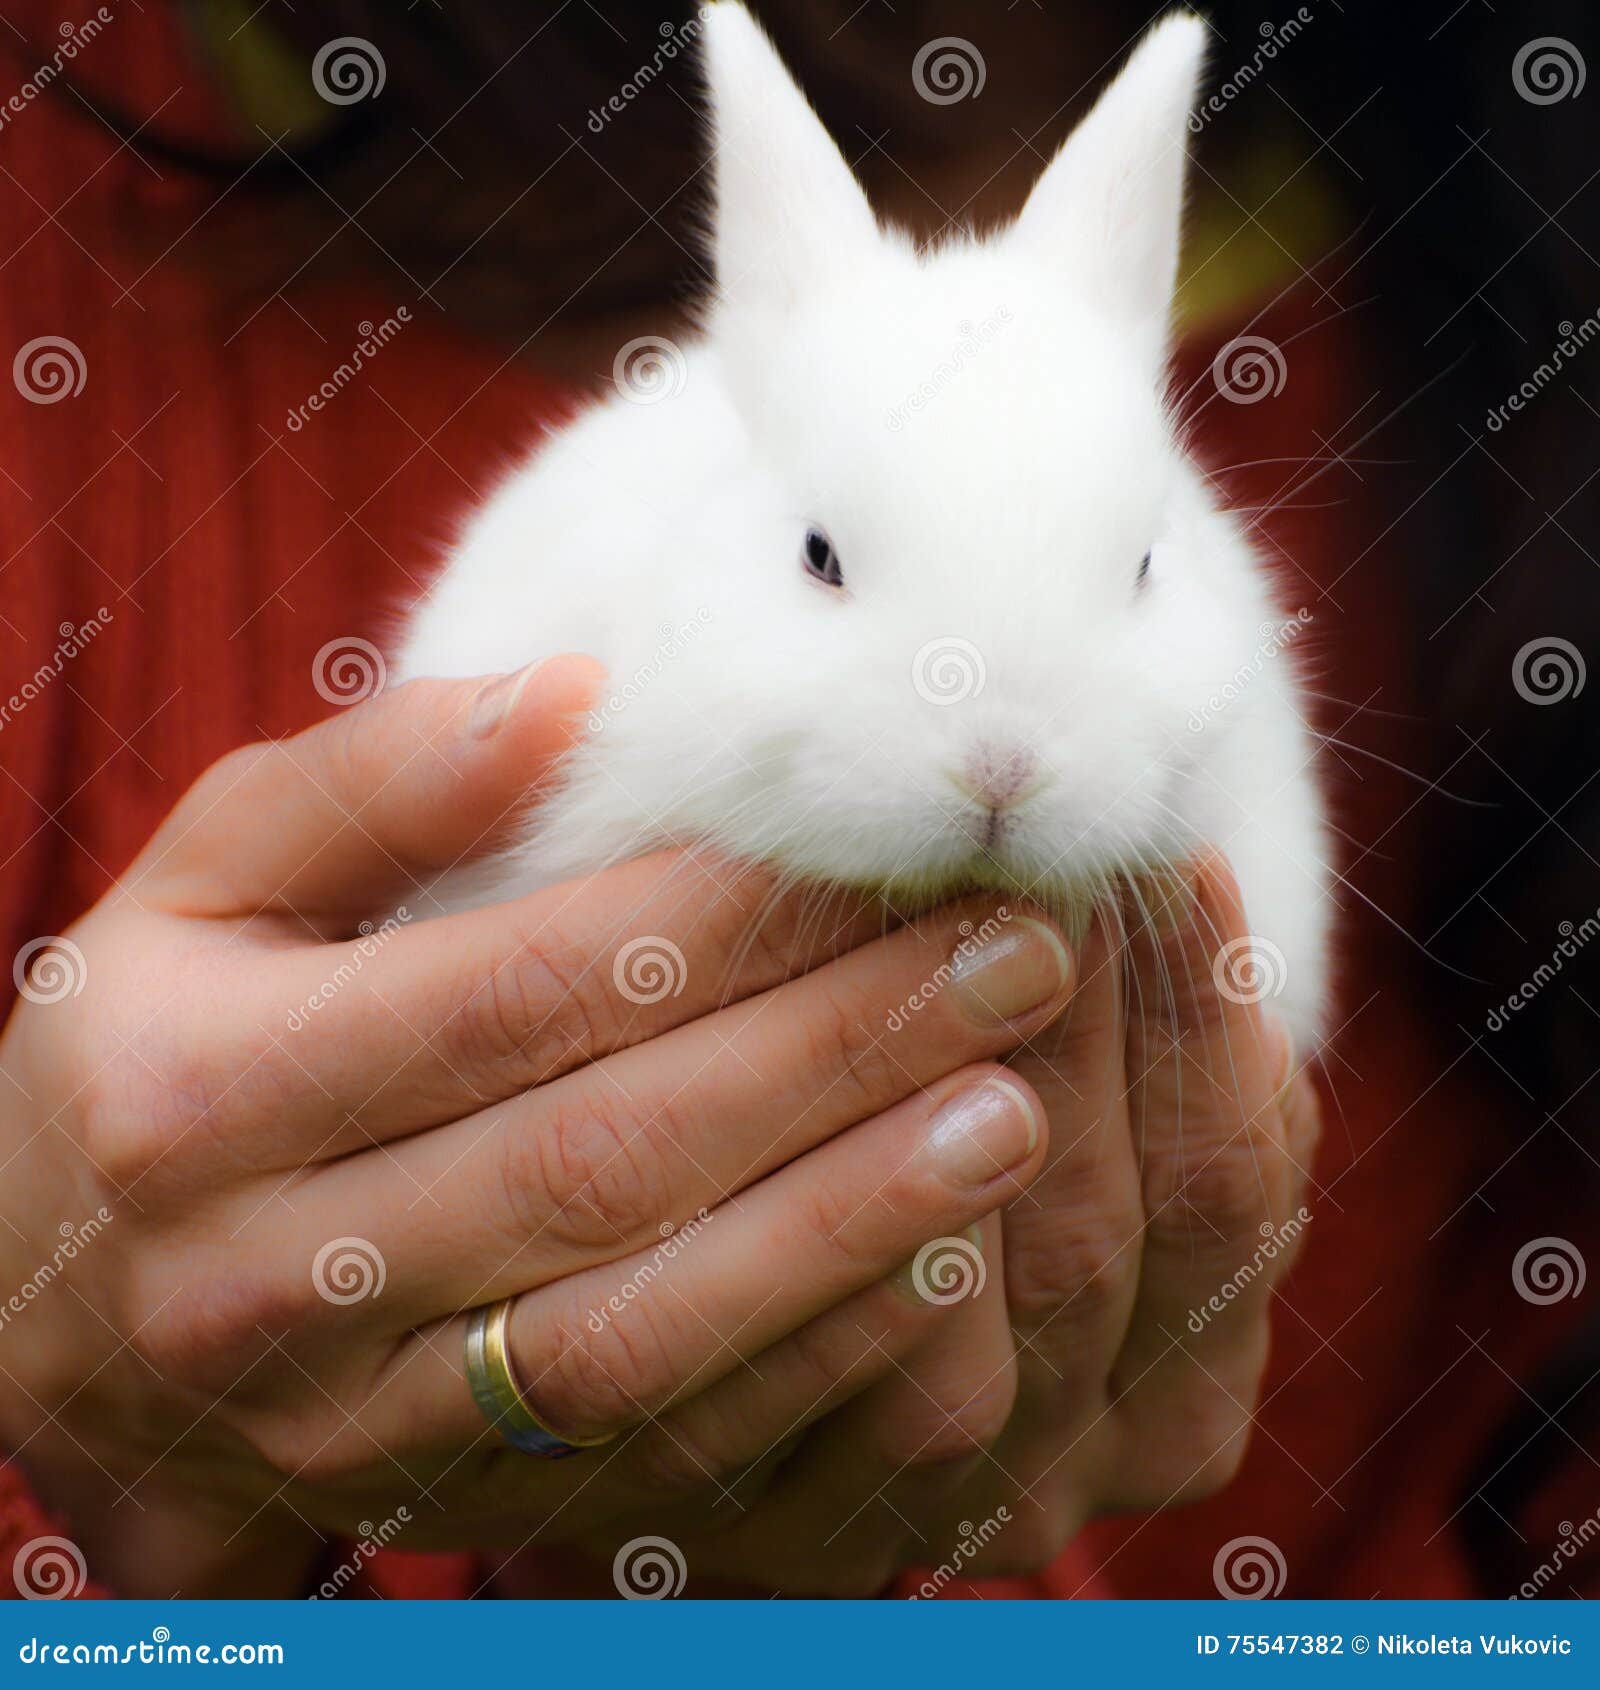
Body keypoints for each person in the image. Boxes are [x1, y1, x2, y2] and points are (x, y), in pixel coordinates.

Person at [0, 1, 1595, 1601]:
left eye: (1128, 573)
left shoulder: (1482, 271)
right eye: (830, 565)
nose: (996, 763)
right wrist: (114, 1493)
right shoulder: (73, 189)